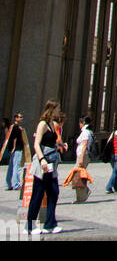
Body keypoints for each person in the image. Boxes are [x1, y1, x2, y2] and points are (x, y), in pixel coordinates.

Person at [26, 100, 66, 234]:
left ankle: (50, 224)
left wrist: (60, 145)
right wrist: (42, 159)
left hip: (51, 164)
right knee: (37, 194)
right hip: (43, 163)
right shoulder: (42, 124)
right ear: (51, 109)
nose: (58, 111)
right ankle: (30, 226)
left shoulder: (50, 124)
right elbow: (36, 144)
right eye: (57, 108)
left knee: (53, 192)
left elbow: (50, 141)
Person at [72, 116, 95, 203]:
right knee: (78, 175)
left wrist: (81, 158)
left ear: (83, 123)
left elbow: (84, 145)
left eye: (80, 123)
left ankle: (82, 196)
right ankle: (82, 194)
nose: (79, 125)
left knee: (77, 175)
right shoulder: (88, 132)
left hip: (83, 156)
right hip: (83, 156)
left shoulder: (85, 132)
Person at [1, 112, 26, 190]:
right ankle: (16, 184)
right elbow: (14, 138)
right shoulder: (16, 127)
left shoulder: (13, 127)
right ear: (16, 118)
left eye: (21, 117)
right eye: (20, 117)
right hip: (17, 149)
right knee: (16, 167)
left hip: (13, 149)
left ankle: (8, 184)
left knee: (11, 167)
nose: (21, 118)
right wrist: (14, 148)